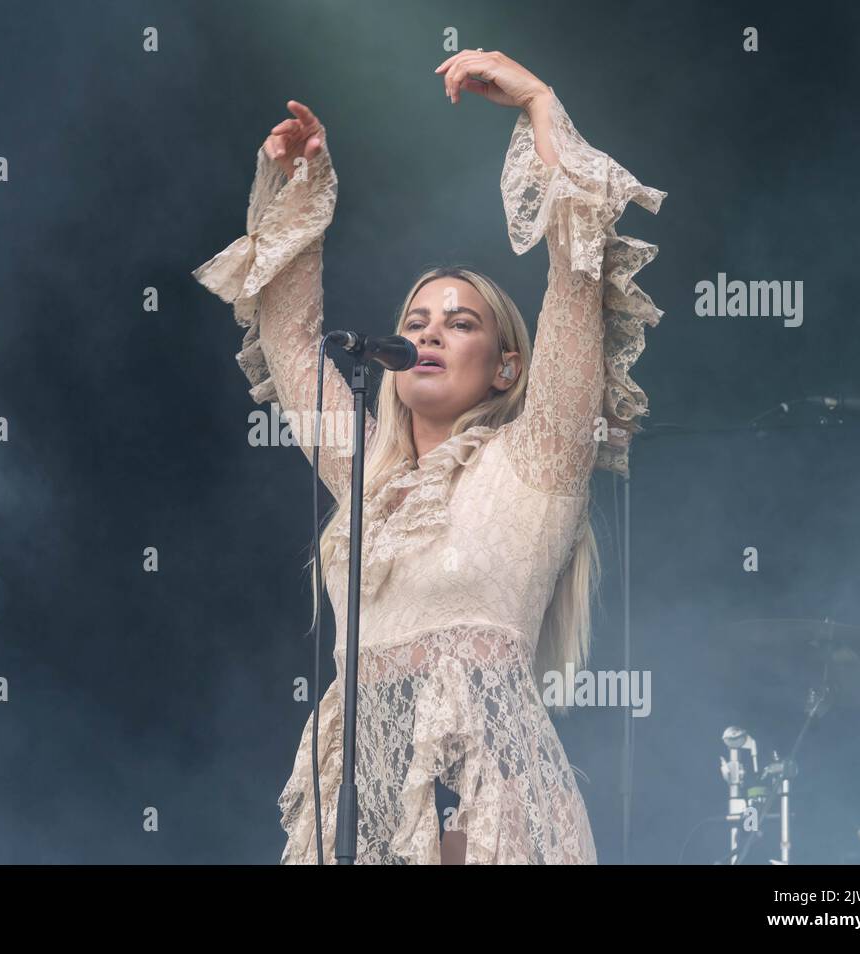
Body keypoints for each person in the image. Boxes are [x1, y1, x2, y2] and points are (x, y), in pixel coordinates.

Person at [193, 49, 665, 864]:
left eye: (459, 321)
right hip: (362, 807)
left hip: (481, 807)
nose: (427, 333)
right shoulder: (368, 477)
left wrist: (540, 106)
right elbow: (292, 342)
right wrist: (302, 186)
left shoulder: (535, 461)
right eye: (415, 321)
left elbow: (577, 278)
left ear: (506, 364)